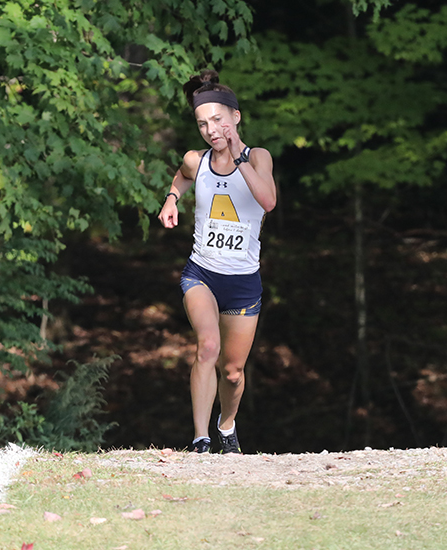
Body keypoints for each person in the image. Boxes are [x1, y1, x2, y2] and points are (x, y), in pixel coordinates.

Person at [158, 70, 276, 454]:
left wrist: (239, 158)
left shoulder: (258, 158)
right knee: (207, 347)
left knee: (233, 371)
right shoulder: (196, 160)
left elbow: (268, 201)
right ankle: (201, 439)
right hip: (202, 273)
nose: (211, 130)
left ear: (236, 117)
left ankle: (226, 425)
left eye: (218, 121)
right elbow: (181, 177)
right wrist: (172, 199)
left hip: (243, 282)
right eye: (202, 123)